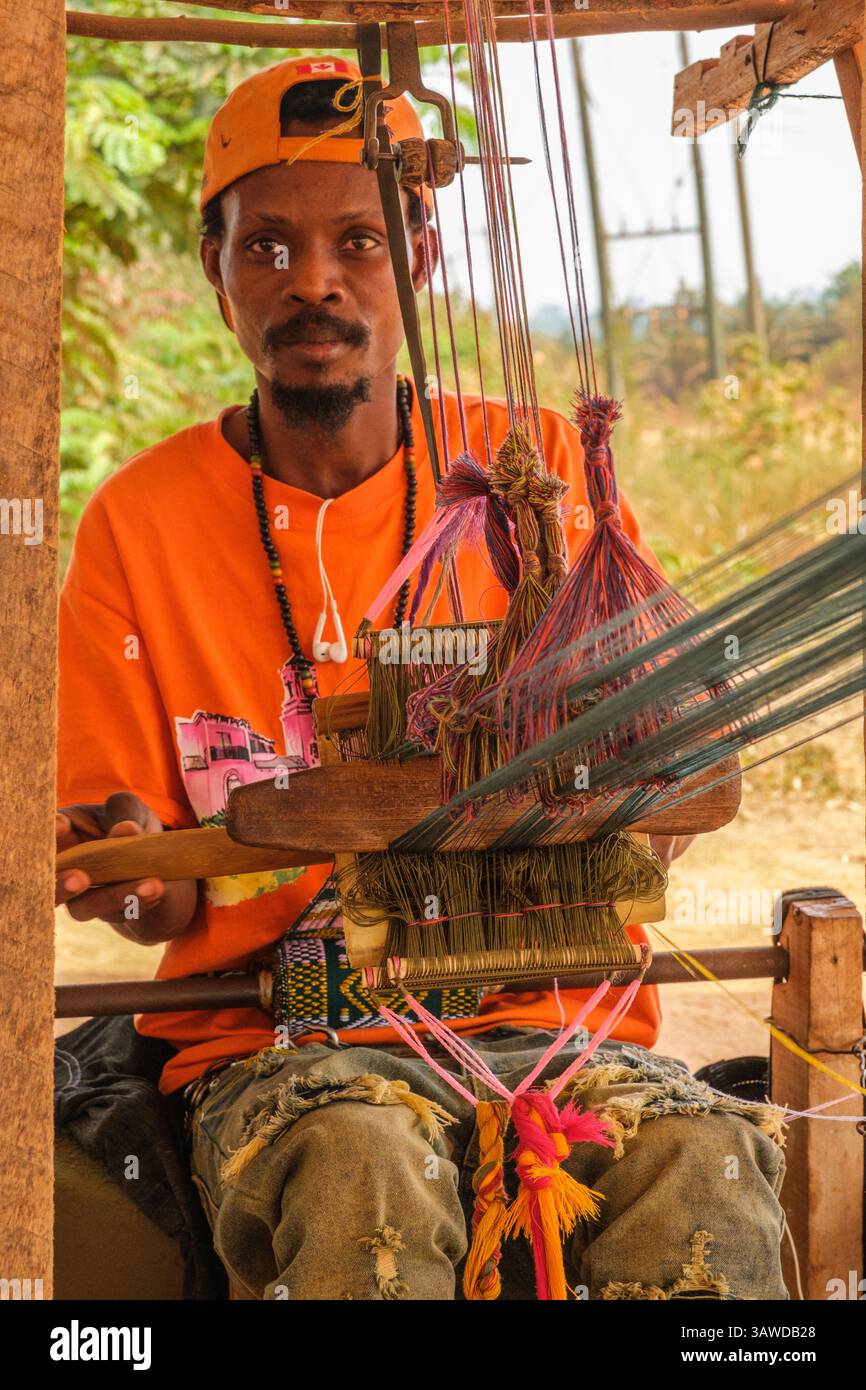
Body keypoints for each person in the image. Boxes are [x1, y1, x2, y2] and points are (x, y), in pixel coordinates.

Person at [55, 55, 787, 1301]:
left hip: (561, 1025)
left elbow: (655, 761)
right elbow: (156, 896)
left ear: (423, 262)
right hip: (278, 1039)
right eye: (267, 248)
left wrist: (621, 815)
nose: (315, 283)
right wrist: (127, 872)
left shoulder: (534, 471)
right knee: (363, 1164)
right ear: (215, 272)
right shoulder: (141, 522)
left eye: (358, 242)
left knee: (698, 1158)